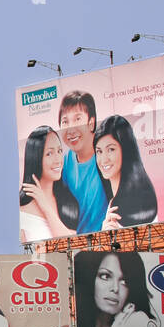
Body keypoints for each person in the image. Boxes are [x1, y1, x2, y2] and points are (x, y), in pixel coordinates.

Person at [74, 250, 164, 327]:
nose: (115, 288)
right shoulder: (76, 326)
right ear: (90, 278)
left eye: (124, 281)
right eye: (105, 276)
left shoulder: (138, 322)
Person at [93, 115, 158, 230]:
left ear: (126, 150)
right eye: (99, 151)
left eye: (111, 149)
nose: (103, 159)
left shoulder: (140, 203)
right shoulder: (110, 201)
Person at [58, 90, 108, 235]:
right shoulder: (64, 161)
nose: (71, 128)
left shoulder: (106, 154)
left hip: (107, 240)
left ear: (91, 123)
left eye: (77, 119)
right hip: (75, 243)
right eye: (65, 121)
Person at [18, 127, 80, 242]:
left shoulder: (69, 203)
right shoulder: (20, 210)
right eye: (49, 153)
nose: (58, 160)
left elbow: (72, 245)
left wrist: (45, 207)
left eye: (59, 151)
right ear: (35, 158)